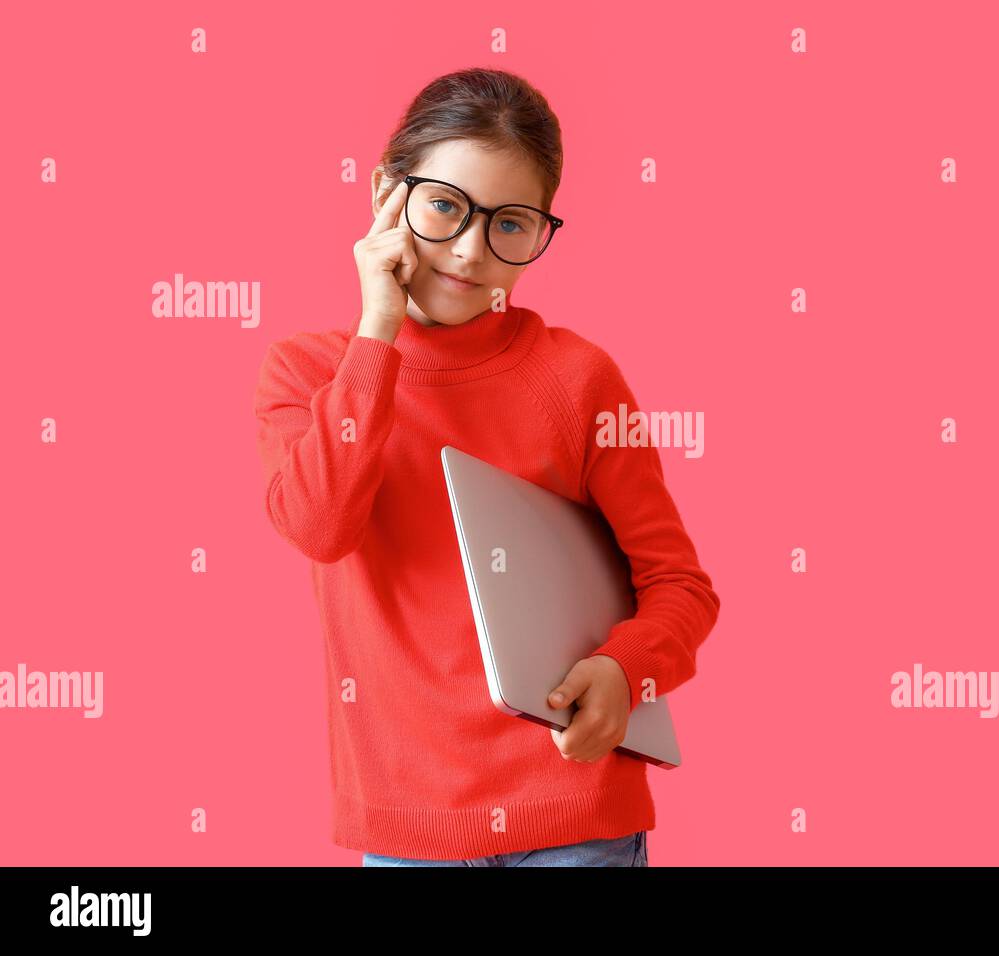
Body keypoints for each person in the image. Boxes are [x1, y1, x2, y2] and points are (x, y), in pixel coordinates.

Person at [252, 67, 721, 867]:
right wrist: (379, 330)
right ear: (386, 195)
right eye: (445, 207)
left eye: (511, 223)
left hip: (577, 822)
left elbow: (680, 586)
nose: (471, 252)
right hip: (407, 833)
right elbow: (322, 529)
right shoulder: (308, 374)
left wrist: (623, 670)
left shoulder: (577, 378)